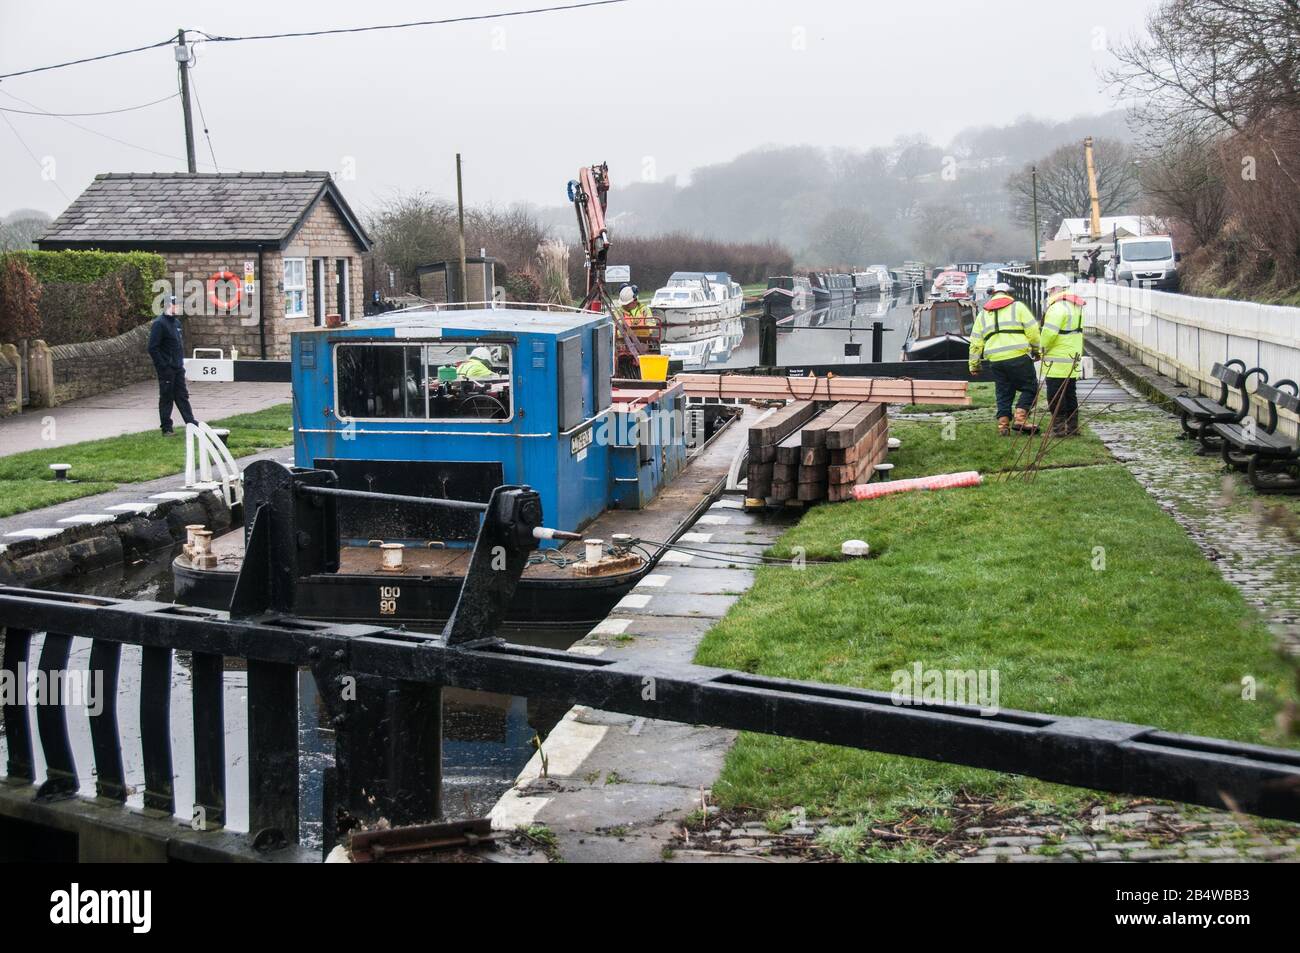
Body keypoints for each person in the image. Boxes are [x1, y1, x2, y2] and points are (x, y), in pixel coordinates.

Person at [968, 281, 1042, 436]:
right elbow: (1033, 331)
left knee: (1003, 392)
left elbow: (975, 343)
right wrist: (1037, 351)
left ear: (992, 294)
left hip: (995, 360)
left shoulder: (982, 314)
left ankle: (1003, 426)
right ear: (1009, 293)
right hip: (1018, 356)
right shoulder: (1018, 307)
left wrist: (974, 365)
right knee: (1030, 387)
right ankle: (1020, 419)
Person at [1039, 273, 1085, 436]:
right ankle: (1073, 427)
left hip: (1057, 359)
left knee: (1055, 395)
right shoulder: (1076, 306)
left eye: (1049, 291)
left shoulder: (1056, 307)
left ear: (1054, 289)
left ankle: (1058, 428)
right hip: (1073, 357)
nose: (1049, 294)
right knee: (1070, 393)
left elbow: (1048, 334)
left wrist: (1041, 349)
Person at [147, 295, 196, 436]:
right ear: (168, 306)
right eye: (176, 304)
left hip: (178, 368)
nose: (179, 307)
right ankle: (166, 428)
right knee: (167, 397)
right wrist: (163, 366)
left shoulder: (176, 323)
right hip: (167, 369)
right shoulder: (159, 324)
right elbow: (152, 348)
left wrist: (179, 364)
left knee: (182, 396)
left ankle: (191, 423)